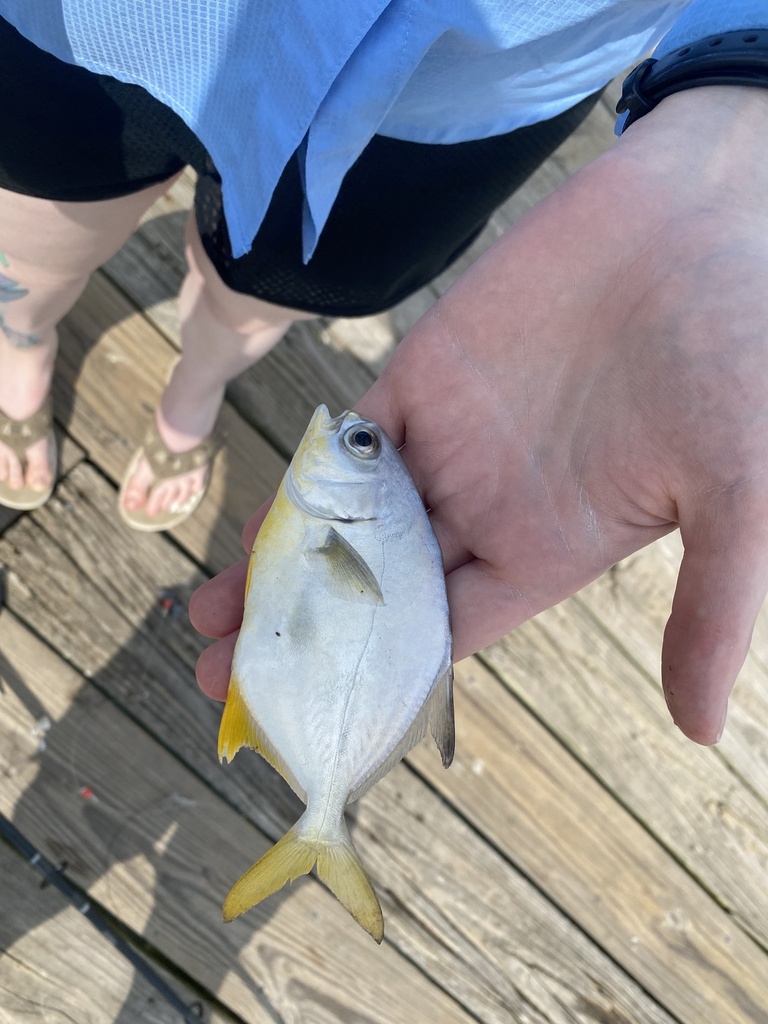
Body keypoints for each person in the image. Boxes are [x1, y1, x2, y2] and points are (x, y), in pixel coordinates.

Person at [1, 2, 767, 742]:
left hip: (465, 87)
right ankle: (22, 344)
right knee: (30, 250)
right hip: (101, 20)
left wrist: (739, 116)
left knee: (255, 302)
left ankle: (191, 396)